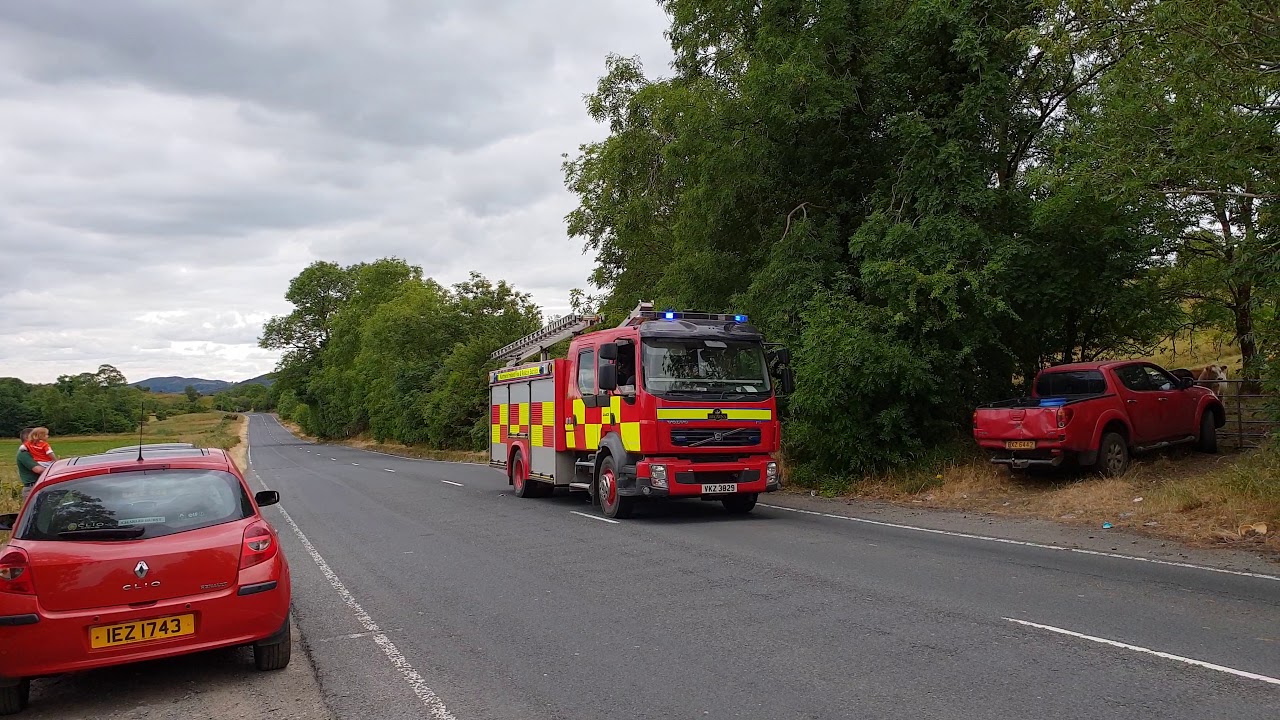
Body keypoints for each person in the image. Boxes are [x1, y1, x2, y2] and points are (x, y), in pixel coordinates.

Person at [15, 427, 43, 503]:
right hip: (32, 488)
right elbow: (38, 469)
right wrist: (54, 469)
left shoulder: (34, 452)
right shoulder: (23, 453)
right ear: (28, 438)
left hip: (38, 486)